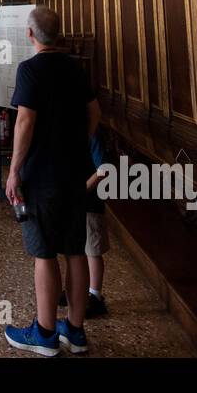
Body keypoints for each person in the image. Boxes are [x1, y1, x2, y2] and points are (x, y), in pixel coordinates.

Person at [4, 6, 100, 356]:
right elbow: (95, 113)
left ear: (30, 35)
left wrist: (14, 170)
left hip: (41, 174)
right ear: (58, 35)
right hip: (76, 171)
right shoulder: (76, 68)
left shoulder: (30, 69)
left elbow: (25, 122)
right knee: (75, 249)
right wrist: (75, 144)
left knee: (44, 252)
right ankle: (75, 331)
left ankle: (44, 333)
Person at [85, 124, 110, 318]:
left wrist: (83, 188)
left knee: (92, 250)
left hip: (90, 201)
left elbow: (103, 169)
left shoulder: (93, 131)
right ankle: (79, 289)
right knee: (77, 248)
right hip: (75, 203)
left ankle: (95, 295)